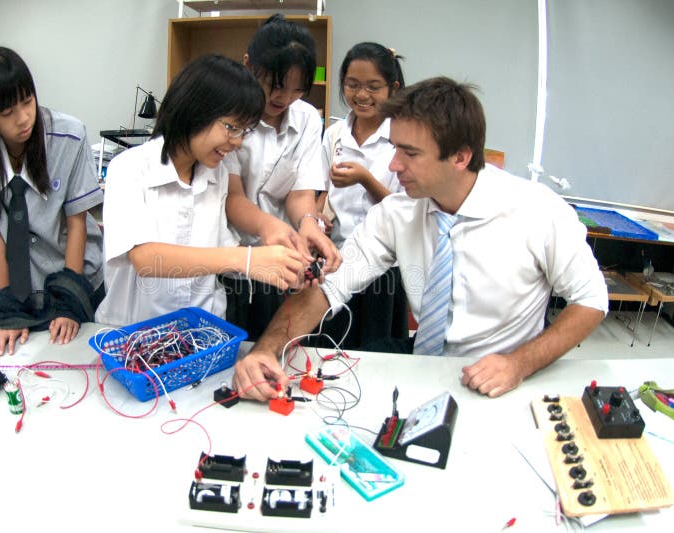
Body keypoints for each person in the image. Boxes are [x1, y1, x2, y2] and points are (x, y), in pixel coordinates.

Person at [232, 76, 608, 400]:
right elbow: (327, 289)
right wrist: (267, 349)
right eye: (395, 147)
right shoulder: (398, 213)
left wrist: (518, 364)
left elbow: (590, 301)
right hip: (427, 362)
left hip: (505, 372)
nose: (394, 165)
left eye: (409, 153)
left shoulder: (538, 211)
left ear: (460, 157)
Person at [95, 54, 306, 327]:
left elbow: (221, 251)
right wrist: (248, 259)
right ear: (193, 111)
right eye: (231, 127)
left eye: (245, 131)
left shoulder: (215, 175)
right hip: (136, 335)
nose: (238, 142)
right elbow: (145, 258)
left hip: (203, 334)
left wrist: (279, 264)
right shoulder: (129, 168)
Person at [0, 46, 104, 356]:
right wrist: (10, 304)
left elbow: (77, 224)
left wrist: (69, 301)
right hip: (25, 287)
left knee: (75, 360)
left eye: (28, 102)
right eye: (7, 112)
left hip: (78, 277)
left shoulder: (69, 136)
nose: (24, 118)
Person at [223, 14, 342, 341]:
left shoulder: (306, 119)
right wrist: (270, 227)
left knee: (278, 345)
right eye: (276, 86)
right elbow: (232, 198)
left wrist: (307, 224)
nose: (284, 99)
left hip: (280, 262)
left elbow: (299, 195)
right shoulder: (229, 115)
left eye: (297, 90)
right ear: (249, 65)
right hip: (231, 257)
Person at [311, 42, 408, 349]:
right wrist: (316, 222)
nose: (361, 95)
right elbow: (322, 193)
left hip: (384, 267)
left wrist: (366, 179)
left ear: (392, 88)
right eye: (352, 85)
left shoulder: (401, 136)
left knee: (377, 351)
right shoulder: (335, 134)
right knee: (332, 348)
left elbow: (406, 211)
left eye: (373, 87)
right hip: (336, 258)